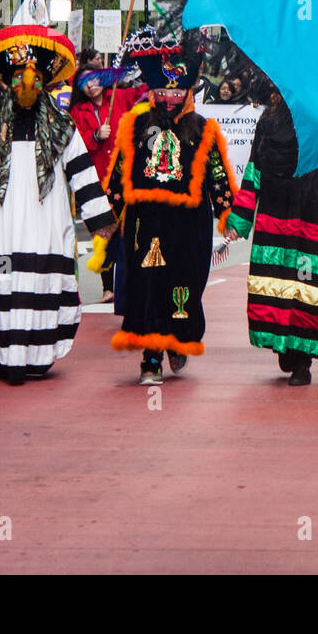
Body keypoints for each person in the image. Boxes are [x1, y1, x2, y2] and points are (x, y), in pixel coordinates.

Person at [0, 24, 116, 384]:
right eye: (17, 77)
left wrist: (101, 224)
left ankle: (33, 355)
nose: (24, 84)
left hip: (45, 220)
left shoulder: (62, 124)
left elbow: (82, 174)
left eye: (31, 77)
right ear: (7, 80)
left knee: (41, 283)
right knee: (2, 280)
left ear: (43, 81)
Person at [103, 28, 240, 385]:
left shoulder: (203, 127)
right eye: (163, 89)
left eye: (177, 89)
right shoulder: (134, 124)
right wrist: (107, 215)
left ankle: (177, 341)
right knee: (147, 285)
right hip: (146, 222)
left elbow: (217, 175)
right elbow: (120, 171)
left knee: (185, 285)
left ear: (188, 90)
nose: (169, 96)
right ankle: (151, 358)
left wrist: (230, 214)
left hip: (188, 223)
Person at [233, 93, 318, 386]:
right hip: (275, 213)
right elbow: (254, 168)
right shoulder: (270, 119)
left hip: (313, 215)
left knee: (306, 284)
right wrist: (240, 218)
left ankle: (302, 358)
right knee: (277, 283)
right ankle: (284, 343)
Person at [70, 67, 145, 304]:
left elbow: (144, 94)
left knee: (127, 231)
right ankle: (107, 287)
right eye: (84, 82)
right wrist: (94, 137)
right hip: (95, 179)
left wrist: (136, 74)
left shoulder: (119, 97)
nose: (91, 85)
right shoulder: (76, 111)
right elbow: (76, 143)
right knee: (102, 231)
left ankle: (128, 283)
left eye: (94, 79)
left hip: (124, 177)